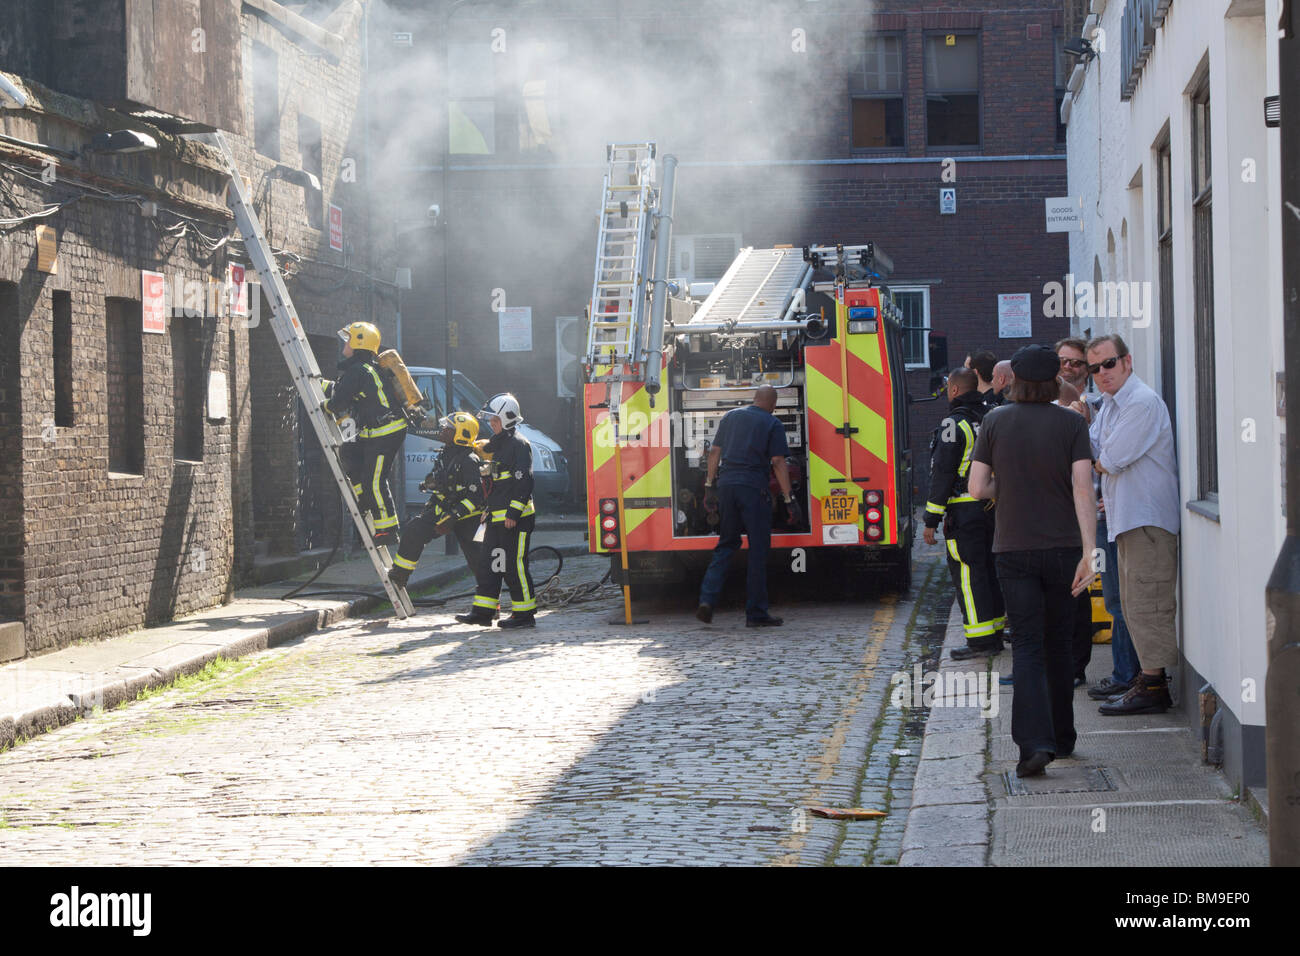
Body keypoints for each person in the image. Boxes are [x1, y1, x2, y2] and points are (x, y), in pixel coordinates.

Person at [969, 344, 1096, 778]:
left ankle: (1033, 745)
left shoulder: (995, 421)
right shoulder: (1072, 423)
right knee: (1059, 642)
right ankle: (1063, 737)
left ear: (1016, 380)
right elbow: (1084, 490)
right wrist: (1089, 553)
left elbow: (975, 488)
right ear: (1055, 381)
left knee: (1026, 645)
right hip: (1063, 548)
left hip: (1014, 549)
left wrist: (1007, 486)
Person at [1085, 334, 1181, 715]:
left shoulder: (1140, 402)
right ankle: (1145, 678)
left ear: (1127, 361)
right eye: (1095, 368)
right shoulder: (1111, 405)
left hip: (1147, 519)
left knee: (1149, 604)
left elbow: (1109, 458)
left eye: (1108, 364)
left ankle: (1155, 686)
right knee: (1132, 605)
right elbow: (1093, 448)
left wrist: (1099, 458)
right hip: (1126, 519)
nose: (1102, 374)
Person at [696, 385, 800, 627]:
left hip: (727, 486)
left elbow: (714, 452)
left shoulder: (731, 416)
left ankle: (707, 600)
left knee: (726, 544)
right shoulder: (772, 424)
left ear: (754, 399)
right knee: (757, 550)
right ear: (773, 404)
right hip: (753, 489)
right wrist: (788, 498)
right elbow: (777, 461)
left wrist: (709, 486)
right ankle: (756, 613)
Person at [922, 367, 1006, 659]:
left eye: (948, 388)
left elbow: (943, 473)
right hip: (993, 508)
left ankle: (981, 641)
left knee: (970, 574)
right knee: (990, 570)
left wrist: (931, 519)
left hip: (964, 510)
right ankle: (995, 630)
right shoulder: (991, 417)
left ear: (955, 390)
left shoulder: (952, 424)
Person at [455, 393, 538, 629]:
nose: (491, 425)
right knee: (490, 564)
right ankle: (483, 612)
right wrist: (488, 510)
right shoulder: (498, 445)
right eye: (490, 421)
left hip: (516, 520)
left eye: (495, 421)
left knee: (514, 566)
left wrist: (513, 514)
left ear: (508, 419)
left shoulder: (519, 445)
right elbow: (495, 483)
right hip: (495, 518)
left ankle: (524, 615)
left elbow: (524, 482)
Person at [322, 322, 407, 547]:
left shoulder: (359, 370)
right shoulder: (363, 369)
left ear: (360, 342)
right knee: (352, 460)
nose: (345, 343)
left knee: (375, 480)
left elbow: (338, 402)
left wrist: (327, 406)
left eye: (349, 339)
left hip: (386, 433)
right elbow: (344, 390)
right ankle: (365, 501)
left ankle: (389, 529)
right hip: (375, 433)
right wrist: (322, 387)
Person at [387, 412, 486, 592]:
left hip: (468, 516)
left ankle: (490, 605)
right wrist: (430, 483)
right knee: (414, 530)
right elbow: (443, 481)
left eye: (448, 428)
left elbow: (476, 496)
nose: (442, 429)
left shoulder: (470, 461)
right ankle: (401, 574)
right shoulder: (445, 454)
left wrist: (453, 517)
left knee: (478, 560)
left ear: (460, 434)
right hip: (443, 509)